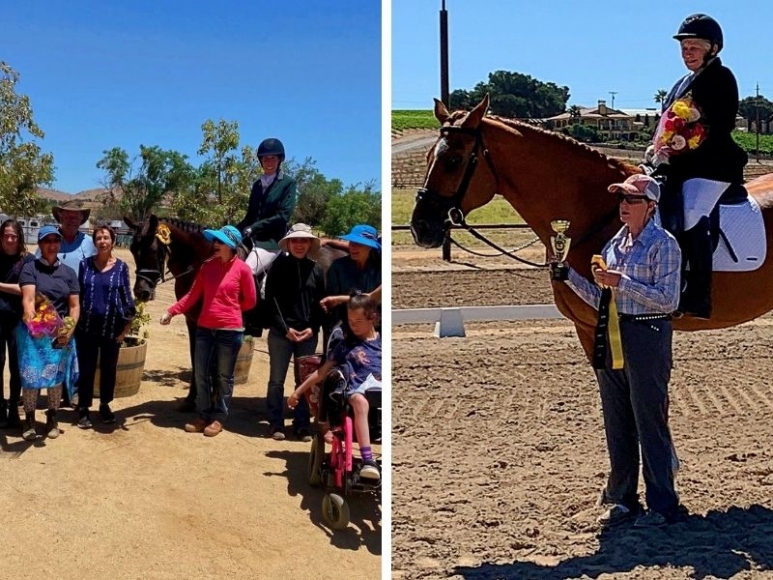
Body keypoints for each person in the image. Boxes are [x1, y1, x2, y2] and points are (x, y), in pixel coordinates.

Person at [556, 174, 683, 528]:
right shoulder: (616, 244)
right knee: (617, 418)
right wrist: (568, 275)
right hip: (612, 330)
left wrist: (621, 282)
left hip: (649, 331)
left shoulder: (665, 244)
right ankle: (622, 497)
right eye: (622, 199)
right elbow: (603, 298)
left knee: (649, 419)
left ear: (650, 207)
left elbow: (669, 299)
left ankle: (662, 503)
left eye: (632, 200)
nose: (624, 205)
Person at [649, 13, 747, 319]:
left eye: (694, 46)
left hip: (713, 167)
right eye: (684, 46)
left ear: (712, 49)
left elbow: (721, 123)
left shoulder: (722, 77)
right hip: (678, 166)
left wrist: (688, 139)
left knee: (692, 210)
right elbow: (667, 121)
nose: (687, 51)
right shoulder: (680, 84)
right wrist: (659, 145)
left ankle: (698, 293)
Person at [160, 225, 256, 437]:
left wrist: (229, 312)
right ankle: (203, 415)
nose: (214, 245)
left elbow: (250, 300)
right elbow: (192, 295)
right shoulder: (206, 267)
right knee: (201, 374)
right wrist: (171, 311)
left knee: (223, 376)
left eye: (220, 242)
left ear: (231, 246)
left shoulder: (243, 270)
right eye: (214, 241)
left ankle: (219, 417)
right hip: (205, 329)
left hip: (230, 331)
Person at [289, 292, 382, 481]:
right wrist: (298, 392)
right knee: (359, 401)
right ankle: (367, 461)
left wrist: (342, 299)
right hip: (358, 390)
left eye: (358, 320)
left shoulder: (383, 341)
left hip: (380, 386)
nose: (353, 325)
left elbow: (375, 295)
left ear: (372, 318)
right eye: (350, 320)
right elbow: (321, 373)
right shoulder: (344, 346)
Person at [264, 223, 326, 441]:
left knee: (304, 381)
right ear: (289, 243)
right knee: (276, 379)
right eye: (295, 240)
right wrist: (285, 329)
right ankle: (275, 423)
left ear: (309, 243)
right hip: (282, 334)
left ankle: (301, 424)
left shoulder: (317, 270)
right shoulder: (277, 267)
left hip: (307, 334)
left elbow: (320, 304)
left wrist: (312, 328)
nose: (299, 245)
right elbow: (270, 302)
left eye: (304, 240)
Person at [17, 225, 80, 441]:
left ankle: (53, 419)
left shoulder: (69, 273)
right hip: (33, 334)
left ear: (59, 243)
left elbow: (74, 306)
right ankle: (30, 421)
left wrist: (67, 331)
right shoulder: (30, 268)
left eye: (55, 240)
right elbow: (28, 298)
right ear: (40, 244)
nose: (51, 245)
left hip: (59, 333)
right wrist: (35, 325)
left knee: (55, 378)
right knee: (31, 377)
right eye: (46, 241)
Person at [75, 225, 136, 428]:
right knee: (86, 368)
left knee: (109, 369)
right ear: (95, 242)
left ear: (113, 241)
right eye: (99, 238)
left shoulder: (121, 267)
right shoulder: (85, 265)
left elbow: (127, 298)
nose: (102, 241)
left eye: (106, 237)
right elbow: (78, 295)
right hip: (86, 328)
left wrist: (126, 328)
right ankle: (83, 407)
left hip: (112, 329)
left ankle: (104, 405)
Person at [236, 138, 298, 277]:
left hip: (271, 242)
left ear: (279, 160)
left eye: (273, 158)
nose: (269, 162)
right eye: (265, 159)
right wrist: (231, 231)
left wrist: (255, 227)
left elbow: (283, 216)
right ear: (261, 161)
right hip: (251, 238)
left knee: (246, 272)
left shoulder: (288, 183)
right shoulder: (257, 185)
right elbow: (250, 217)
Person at [322, 224, 382, 345]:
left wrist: (343, 299)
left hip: (373, 326)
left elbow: (375, 299)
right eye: (351, 243)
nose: (353, 247)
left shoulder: (379, 268)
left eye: (359, 244)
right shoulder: (338, 267)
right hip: (345, 326)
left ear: (370, 247)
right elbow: (331, 303)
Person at [0, 220, 34, 428]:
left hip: (17, 320)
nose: (10, 240)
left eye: (14, 236)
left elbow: (26, 289)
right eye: (6, 236)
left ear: (20, 238)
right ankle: (0, 409)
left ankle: (13, 408)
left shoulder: (28, 261)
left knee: (16, 366)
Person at [51, 199, 97, 273]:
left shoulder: (89, 242)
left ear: (81, 219)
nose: (72, 220)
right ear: (61, 218)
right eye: (68, 217)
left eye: (76, 217)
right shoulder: (48, 241)